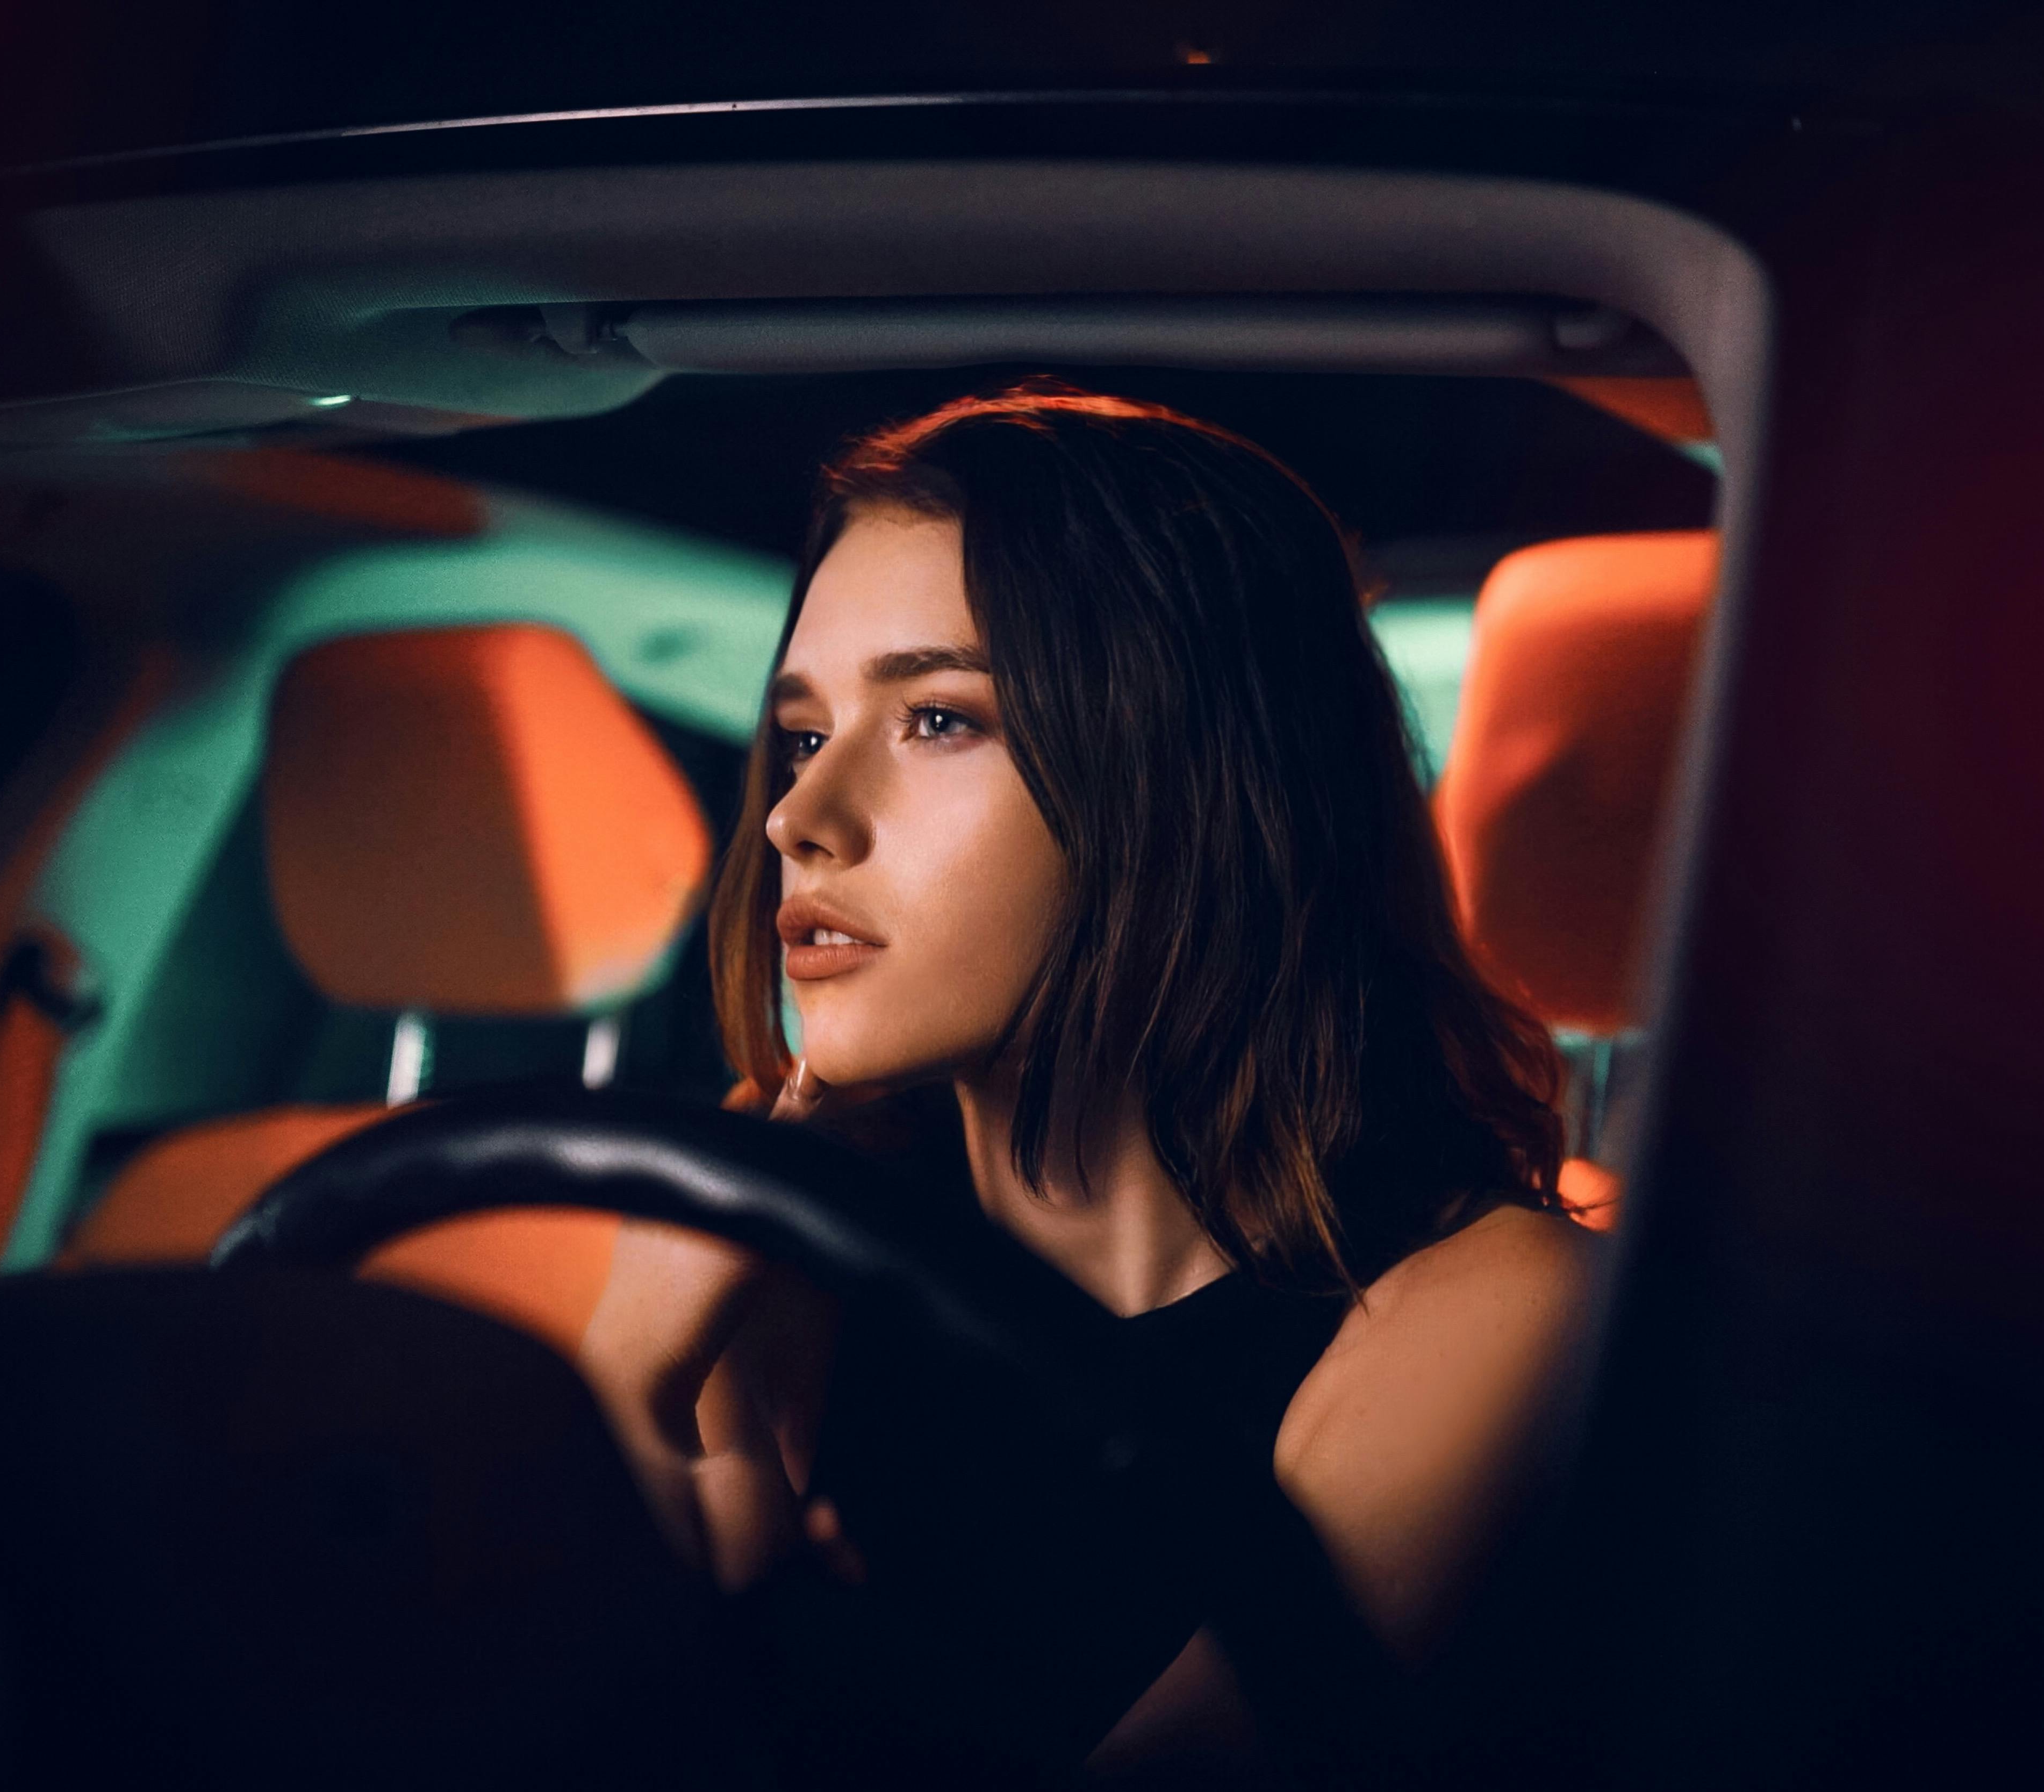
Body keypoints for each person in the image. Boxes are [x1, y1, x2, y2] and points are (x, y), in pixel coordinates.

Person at [578, 382, 1596, 1778]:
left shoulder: (1485, 1312)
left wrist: (629, 1389)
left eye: (937, 720)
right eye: (805, 736)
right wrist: (683, 1411)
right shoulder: (778, 1254)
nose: (798, 820)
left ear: (1181, 779)